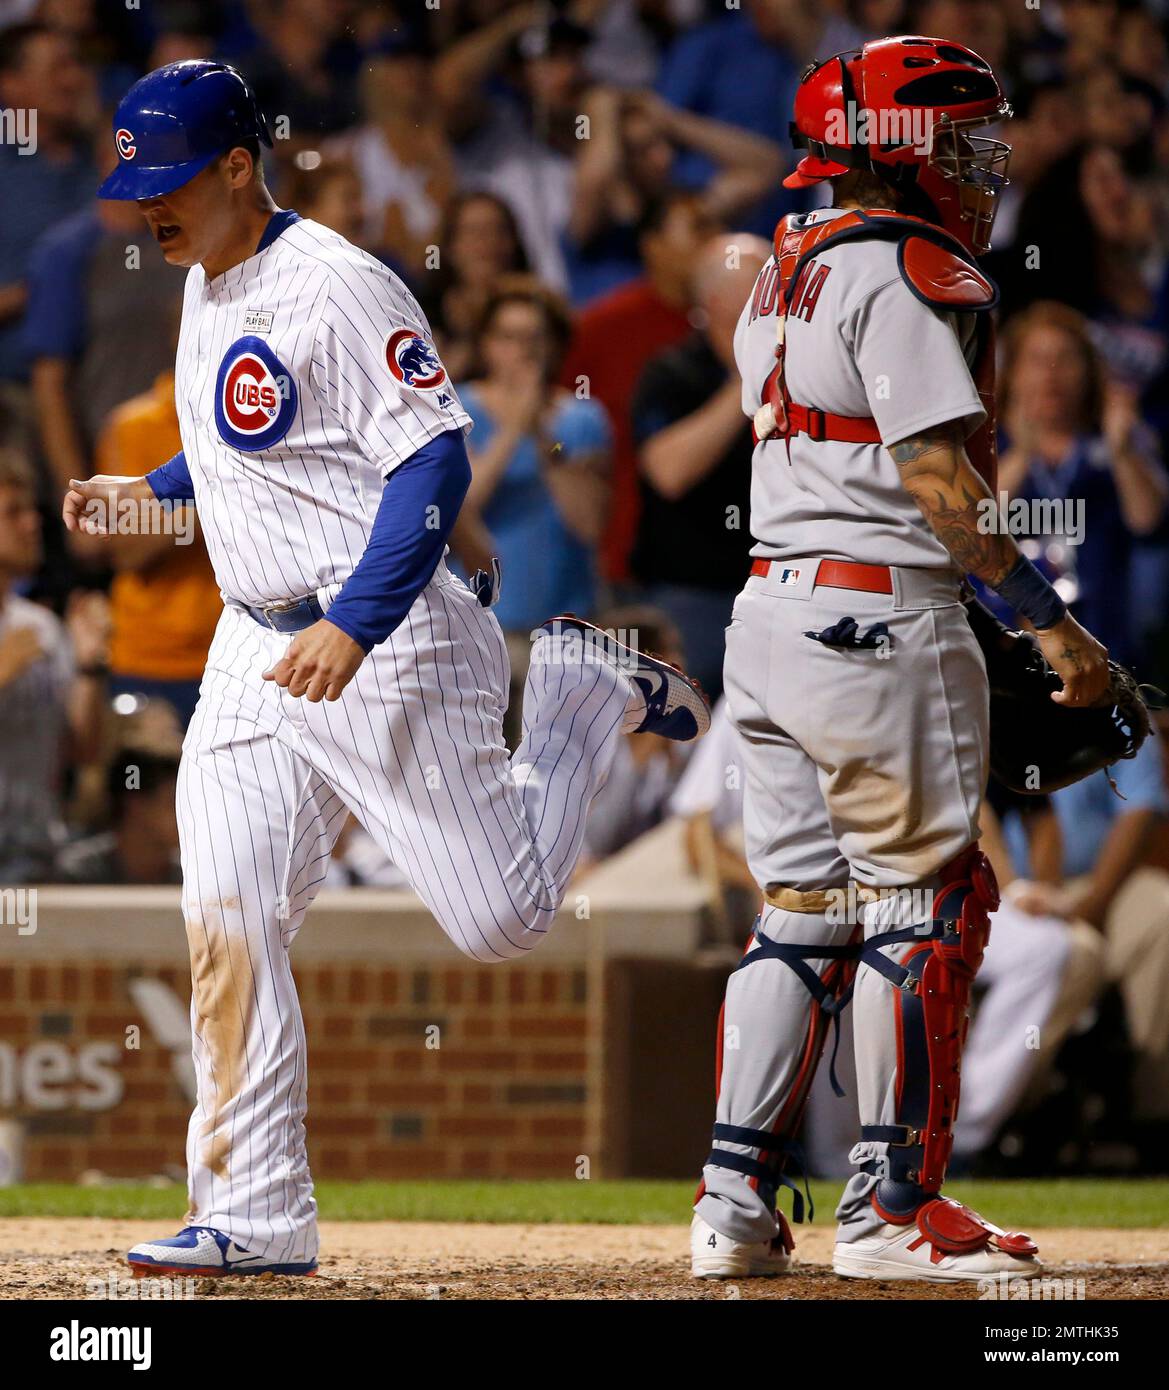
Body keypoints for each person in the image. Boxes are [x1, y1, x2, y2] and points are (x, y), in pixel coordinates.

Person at [65, 60, 710, 1280]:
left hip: (388, 635)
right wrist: (141, 495)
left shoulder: (342, 285)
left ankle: (575, 690)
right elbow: (245, 443)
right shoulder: (205, 279)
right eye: (135, 179)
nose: (145, 202)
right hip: (255, 648)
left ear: (240, 166)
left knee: (501, 917)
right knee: (229, 918)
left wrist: (355, 624)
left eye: (167, 179)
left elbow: (432, 468)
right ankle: (253, 1209)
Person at [690, 37, 1110, 1285]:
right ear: (899, 148)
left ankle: (730, 1206)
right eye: (963, 141)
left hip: (766, 620)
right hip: (877, 619)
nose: (984, 162)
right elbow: (937, 486)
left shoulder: (783, 264)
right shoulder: (908, 267)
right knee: (926, 907)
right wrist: (1049, 622)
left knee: (799, 917)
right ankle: (888, 1209)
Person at [630, 233, 765, 700]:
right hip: (693, 599)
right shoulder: (672, 373)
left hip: (780, 589)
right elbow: (669, 471)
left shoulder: (802, 372)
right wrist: (748, 378)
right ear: (716, 301)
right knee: (682, 740)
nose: (776, 302)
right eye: (763, 288)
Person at [560, 192, 716, 588]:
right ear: (653, 246)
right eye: (698, 227)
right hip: (628, 554)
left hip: (727, 551)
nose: (715, 239)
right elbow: (556, 428)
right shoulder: (601, 328)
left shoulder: (737, 321)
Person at [996, 301, 1167, 664]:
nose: (1051, 373)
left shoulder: (1113, 442)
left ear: (1090, 372)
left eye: (1066, 358)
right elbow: (978, 520)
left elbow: (1149, 522)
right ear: (1012, 373)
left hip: (1104, 631)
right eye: (1037, 359)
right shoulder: (992, 446)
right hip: (1013, 641)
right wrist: (1025, 453)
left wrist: (1123, 451)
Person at [455, 277, 611, 639]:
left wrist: (543, 436)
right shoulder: (457, 410)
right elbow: (466, 502)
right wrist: (512, 427)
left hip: (567, 624)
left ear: (554, 346)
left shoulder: (582, 418)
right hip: (480, 623)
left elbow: (589, 524)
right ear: (486, 344)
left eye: (534, 338)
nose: (522, 351)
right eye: (508, 337)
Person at [0, 449, 107, 882]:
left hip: (34, 854)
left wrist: (89, 666)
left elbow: (83, 750)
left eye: (31, 509)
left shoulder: (40, 627)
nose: (33, 522)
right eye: (13, 512)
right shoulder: (22, 643)